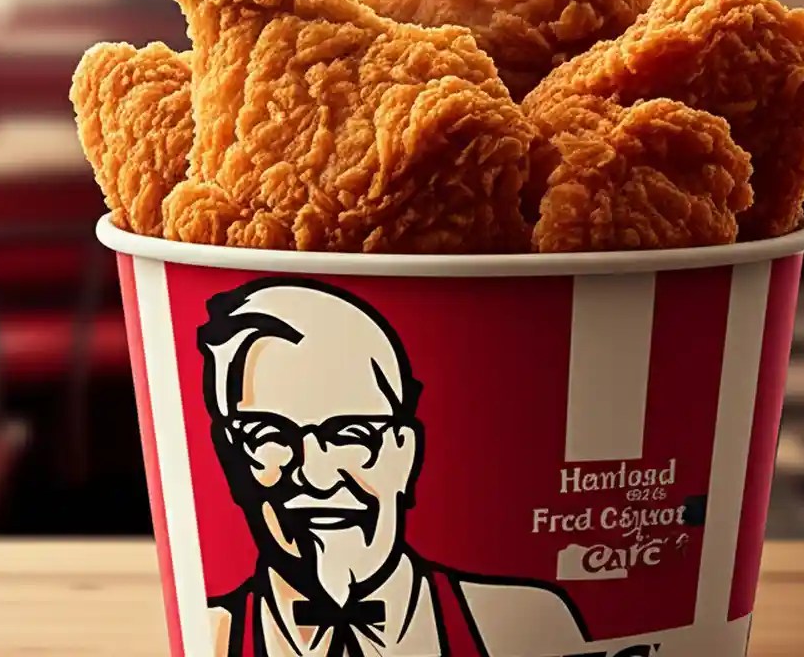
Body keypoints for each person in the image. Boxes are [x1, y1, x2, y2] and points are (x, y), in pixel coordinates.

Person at [198, 277, 590, 656]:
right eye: (270, 435)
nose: (316, 476)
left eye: (352, 433)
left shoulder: (522, 619)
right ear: (231, 458)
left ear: (404, 453)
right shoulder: (209, 630)